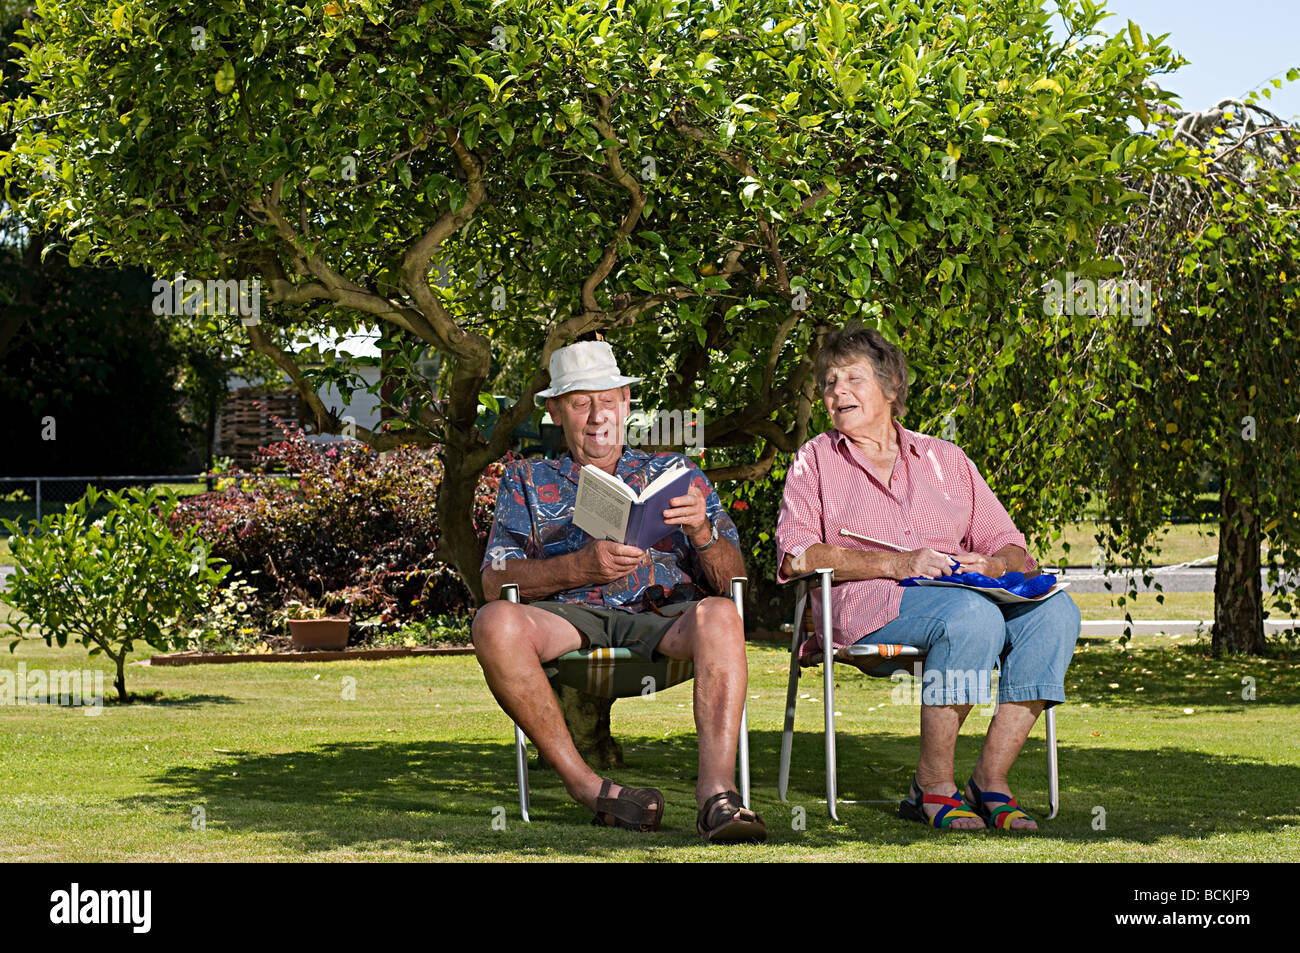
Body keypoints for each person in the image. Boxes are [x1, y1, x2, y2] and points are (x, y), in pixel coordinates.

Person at [775, 325, 1081, 830]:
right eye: (829, 383)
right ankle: (933, 786)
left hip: (962, 594)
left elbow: (1011, 545)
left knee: (1056, 612)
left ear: (891, 386)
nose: (837, 391)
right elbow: (796, 557)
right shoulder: (815, 461)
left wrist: (996, 565)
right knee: (972, 618)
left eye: (853, 378)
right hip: (869, 609)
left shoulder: (948, 460)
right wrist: (898, 564)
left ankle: (990, 780)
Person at [472, 340, 766, 843]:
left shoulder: (676, 475)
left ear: (627, 402)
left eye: (607, 399)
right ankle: (590, 789)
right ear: (555, 410)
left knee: (719, 612)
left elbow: (733, 582)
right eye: (580, 402)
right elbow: (495, 579)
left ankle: (717, 796)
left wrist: (702, 534)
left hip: (664, 613)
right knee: (492, 623)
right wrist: (578, 566)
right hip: (569, 617)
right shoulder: (526, 477)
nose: (596, 416)